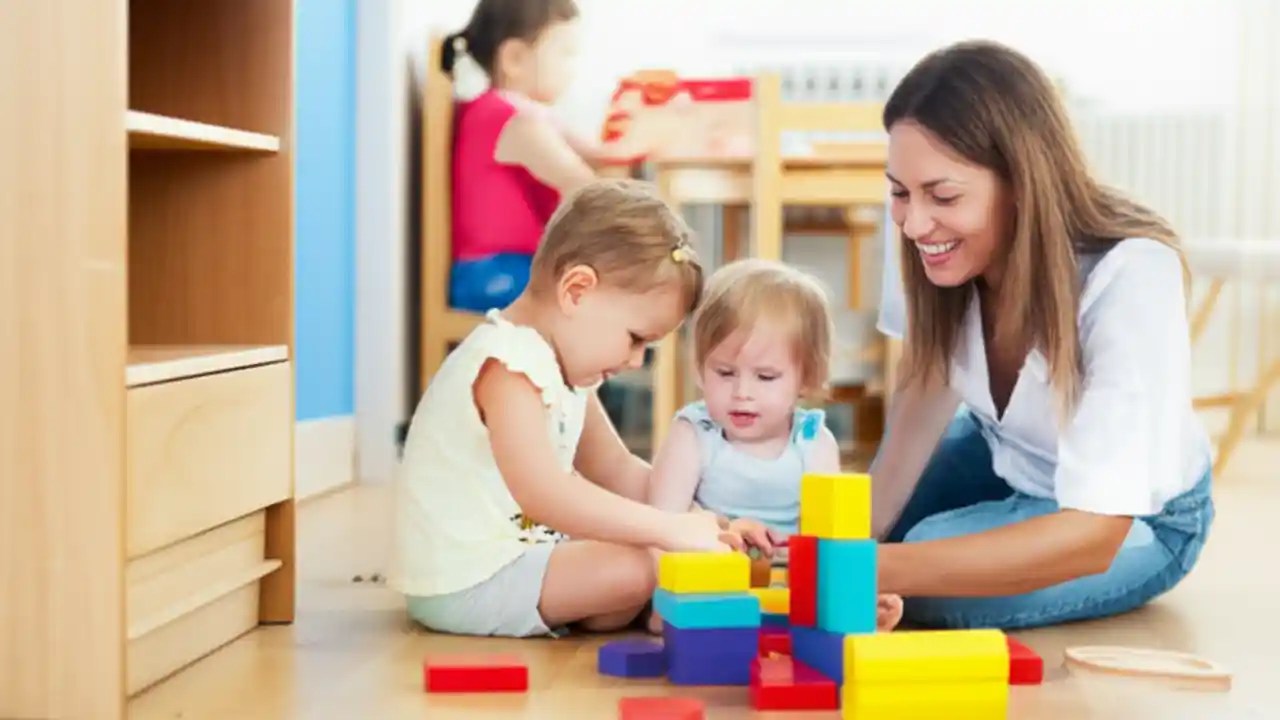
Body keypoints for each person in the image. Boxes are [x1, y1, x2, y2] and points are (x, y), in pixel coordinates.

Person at [869, 39, 1215, 630]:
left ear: (1022, 183)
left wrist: (875, 571)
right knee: (884, 541)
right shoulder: (925, 234)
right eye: (900, 191)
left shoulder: (1131, 273)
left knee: (925, 582)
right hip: (1007, 455)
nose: (914, 222)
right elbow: (921, 398)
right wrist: (829, 551)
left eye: (943, 195)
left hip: (1132, 519)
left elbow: (1093, 531)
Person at [390, 180, 765, 639]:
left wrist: (710, 519)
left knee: (634, 568)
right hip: (465, 582)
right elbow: (545, 494)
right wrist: (669, 530)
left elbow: (616, 466)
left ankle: (605, 602)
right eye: (635, 339)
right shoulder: (509, 366)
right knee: (635, 566)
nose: (634, 361)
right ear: (577, 290)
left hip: (515, 562)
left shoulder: (559, 367)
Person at [648, 258, 905, 632]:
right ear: (699, 368)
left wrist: (852, 594)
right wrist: (667, 597)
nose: (742, 393)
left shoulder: (814, 442)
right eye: (724, 373)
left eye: (765, 377)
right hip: (716, 578)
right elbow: (660, 527)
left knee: (828, 609)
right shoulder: (694, 433)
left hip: (789, 587)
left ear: (807, 377)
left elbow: (832, 540)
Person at [441, 0, 611, 312]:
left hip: (509, 269)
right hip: (493, 275)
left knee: (600, 291)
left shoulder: (530, 114)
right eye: (565, 53)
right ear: (514, 58)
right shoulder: (507, 118)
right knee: (601, 295)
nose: (572, 67)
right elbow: (583, 184)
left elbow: (601, 156)